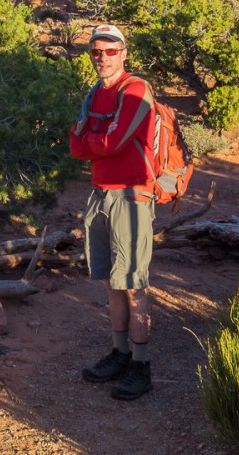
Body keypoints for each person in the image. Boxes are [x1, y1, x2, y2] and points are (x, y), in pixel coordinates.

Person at [69, 23, 156, 401]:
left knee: (134, 283)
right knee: (110, 280)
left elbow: (115, 140)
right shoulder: (94, 94)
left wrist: (93, 142)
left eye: (109, 50)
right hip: (101, 195)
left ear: (124, 52)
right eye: (95, 52)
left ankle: (142, 365)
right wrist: (95, 143)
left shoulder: (136, 90)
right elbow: (76, 144)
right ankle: (121, 354)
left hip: (131, 197)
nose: (102, 58)